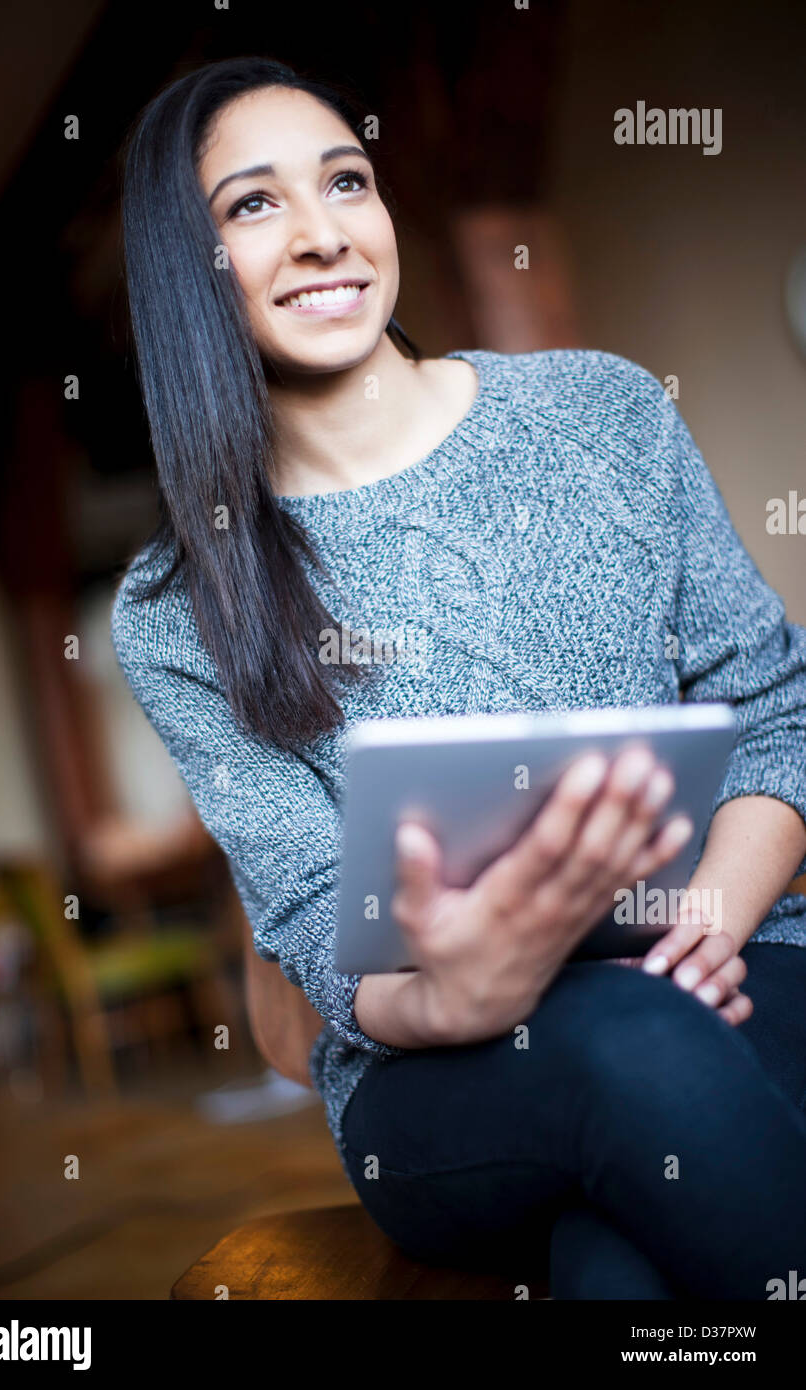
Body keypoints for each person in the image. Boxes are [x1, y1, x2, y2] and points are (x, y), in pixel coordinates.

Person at [110, 56, 806, 1299]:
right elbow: (319, 924)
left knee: (620, 1270)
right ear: (184, 267)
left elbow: (773, 709)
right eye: (253, 205)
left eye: (346, 181)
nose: (324, 233)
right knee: (635, 1049)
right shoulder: (176, 606)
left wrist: (709, 914)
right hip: (435, 1078)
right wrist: (457, 991)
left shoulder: (603, 414)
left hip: (734, 957)